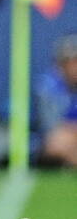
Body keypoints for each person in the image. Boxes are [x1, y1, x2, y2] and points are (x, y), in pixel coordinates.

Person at [36, 34, 77, 167]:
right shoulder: (49, 86)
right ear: (62, 64)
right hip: (46, 142)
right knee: (61, 140)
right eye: (73, 61)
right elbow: (52, 129)